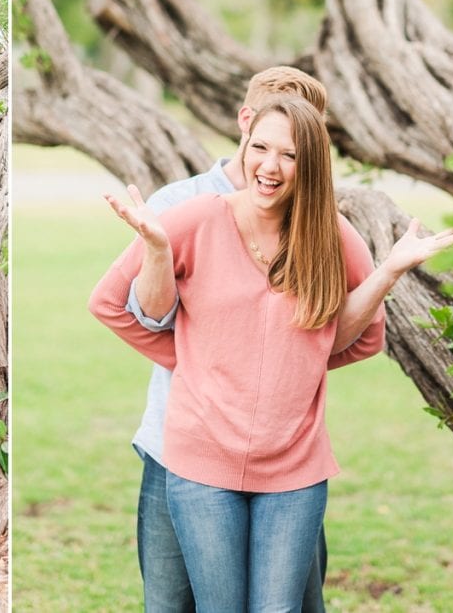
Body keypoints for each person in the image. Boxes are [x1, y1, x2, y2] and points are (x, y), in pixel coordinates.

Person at [89, 94, 453, 610]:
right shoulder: (193, 218)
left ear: (309, 164)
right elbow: (110, 304)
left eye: (288, 155)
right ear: (243, 145)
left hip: (294, 470)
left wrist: (389, 271)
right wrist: (193, 357)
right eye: (259, 147)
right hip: (200, 465)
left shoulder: (328, 233)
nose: (270, 166)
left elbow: (363, 338)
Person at [127, 66, 332, 613]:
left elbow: (334, 331)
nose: (279, 156)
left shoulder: (313, 221)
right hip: (179, 452)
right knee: (171, 604)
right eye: (269, 136)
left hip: (284, 465)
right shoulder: (183, 202)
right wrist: (202, 363)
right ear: (247, 120)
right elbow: (134, 312)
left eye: (301, 139)